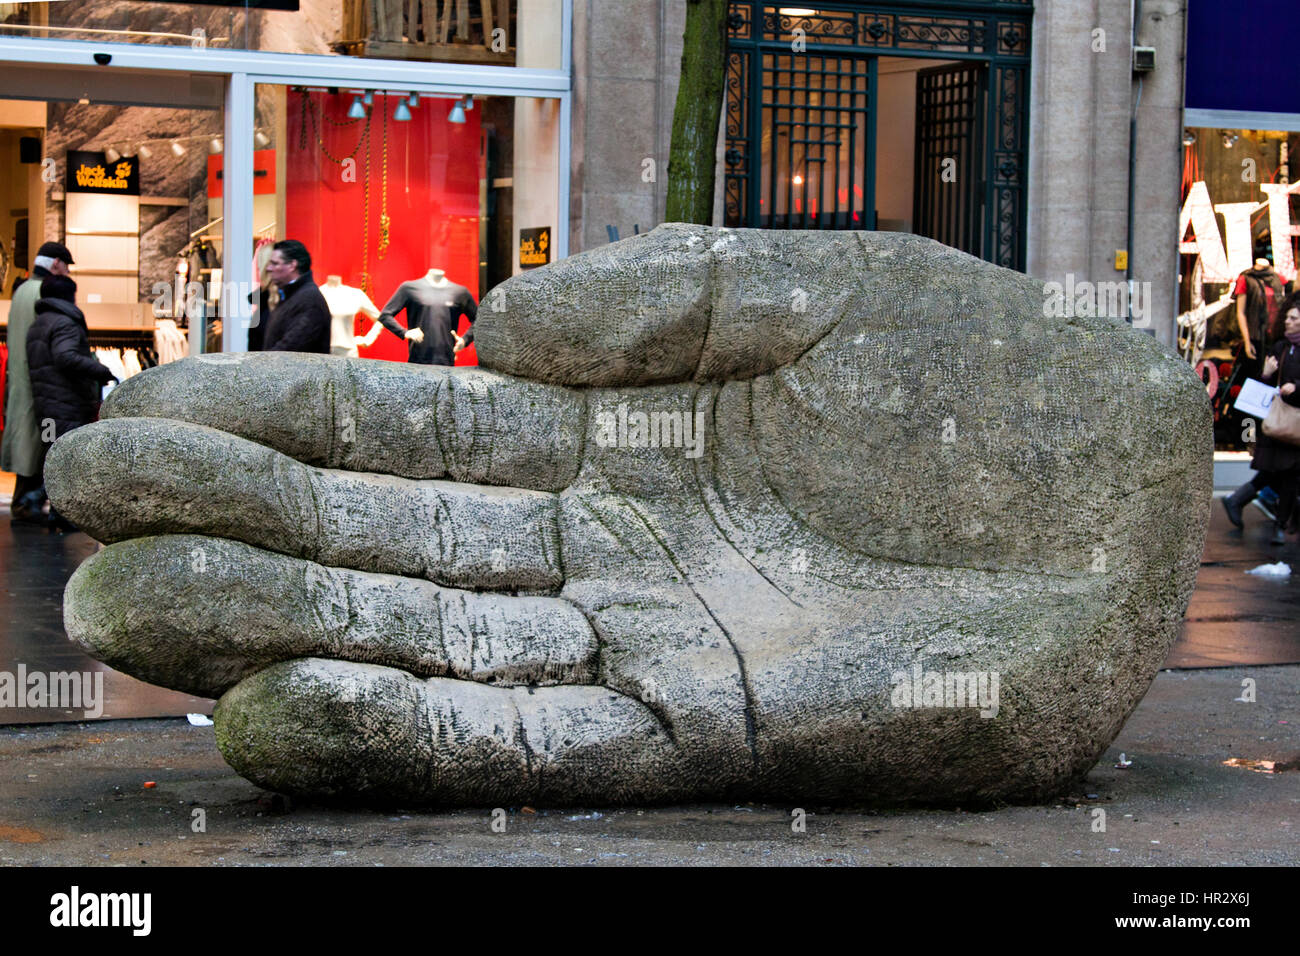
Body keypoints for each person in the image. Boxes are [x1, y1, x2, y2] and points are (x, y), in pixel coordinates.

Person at [25, 274, 116, 533]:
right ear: (69, 296)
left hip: (45, 408)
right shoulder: (65, 323)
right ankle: (41, 498)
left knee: (52, 453)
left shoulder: (39, 324)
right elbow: (65, 357)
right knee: (65, 457)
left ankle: (54, 511)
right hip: (66, 404)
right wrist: (99, 369)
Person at [2, 241, 74, 525]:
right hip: (42, 382)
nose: (67, 271)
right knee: (41, 445)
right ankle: (29, 502)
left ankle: (24, 501)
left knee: (27, 445)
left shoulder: (21, 290)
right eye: (66, 265)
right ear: (56, 264)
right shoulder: (44, 293)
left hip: (21, 380)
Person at [1223, 292, 1300, 543]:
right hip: (1278, 422)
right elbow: (1262, 386)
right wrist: (1266, 375)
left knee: (1283, 473)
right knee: (1281, 472)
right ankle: (1278, 523)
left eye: (1293, 318)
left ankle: (1241, 501)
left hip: (1294, 423)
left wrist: (1297, 387)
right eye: (1287, 317)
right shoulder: (1280, 348)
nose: (1288, 322)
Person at [259, 240, 331, 353]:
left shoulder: (309, 300)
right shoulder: (291, 296)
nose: (269, 269)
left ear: (292, 265)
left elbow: (291, 348)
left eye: (275, 263)